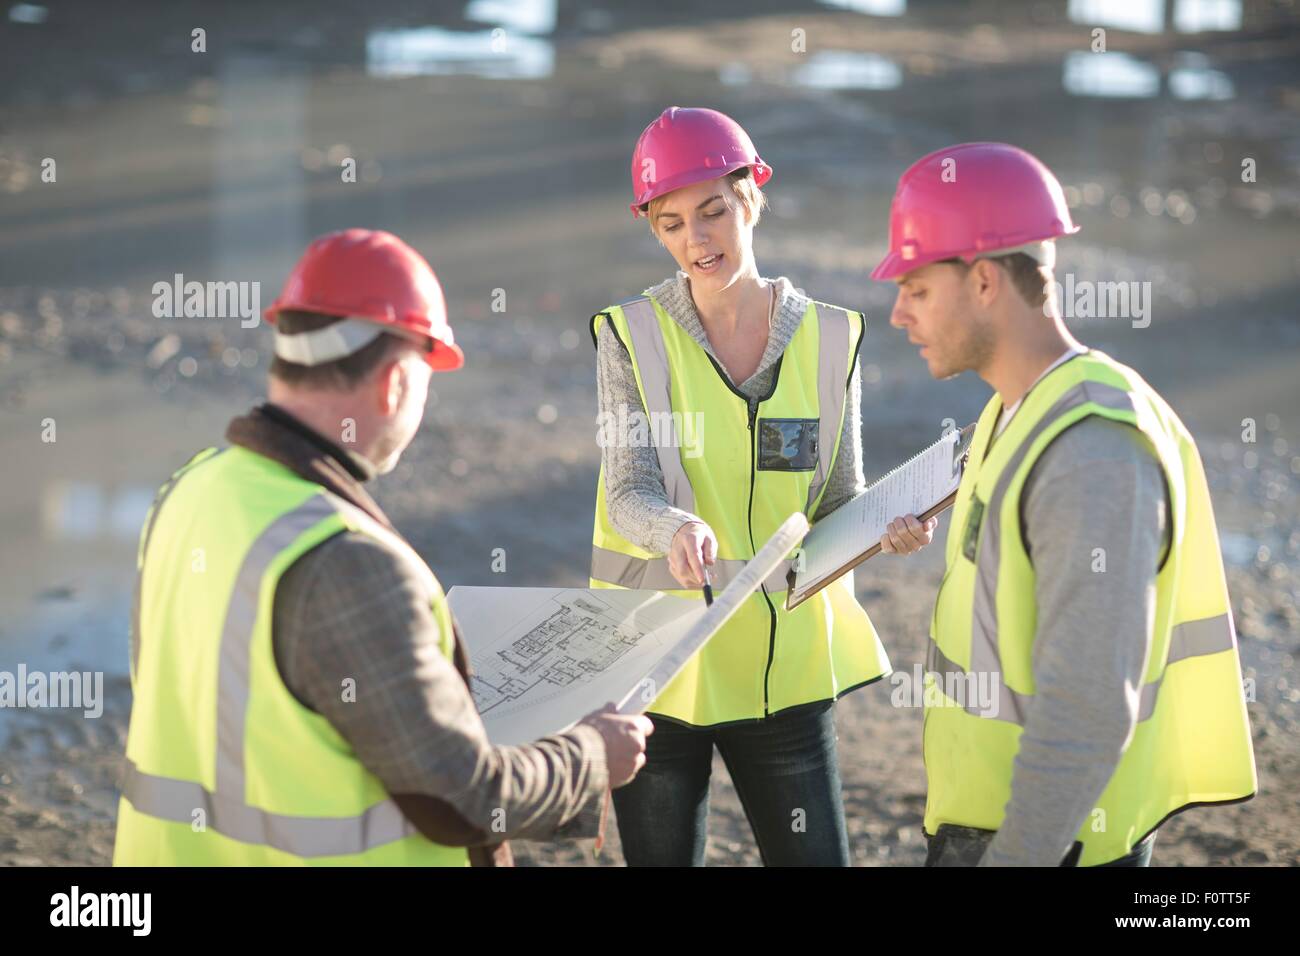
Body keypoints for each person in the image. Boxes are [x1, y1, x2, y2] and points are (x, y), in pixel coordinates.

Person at [114, 228, 651, 866]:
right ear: (396, 383)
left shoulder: (190, 488)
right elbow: (462, 798)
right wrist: (591, 754)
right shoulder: (347, 560)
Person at [872, 143, 1257, 866]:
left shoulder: (1095, 454)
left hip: (1052, 842)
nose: (898, 314)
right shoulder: (1014, 408)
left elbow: (1087, 706)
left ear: (984, 282)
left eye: (917, 289)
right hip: (987, 812)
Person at [589, 107, 935, 866]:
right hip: (663, 665)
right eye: (672, 223)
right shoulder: (630, 335)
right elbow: (627, 492)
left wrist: (890, 528)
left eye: (713, 210)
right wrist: (675, 527)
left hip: (787, 666)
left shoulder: (831, 337)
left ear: (752, 198)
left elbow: (841, 497)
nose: (697, 240)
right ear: (653, 228)